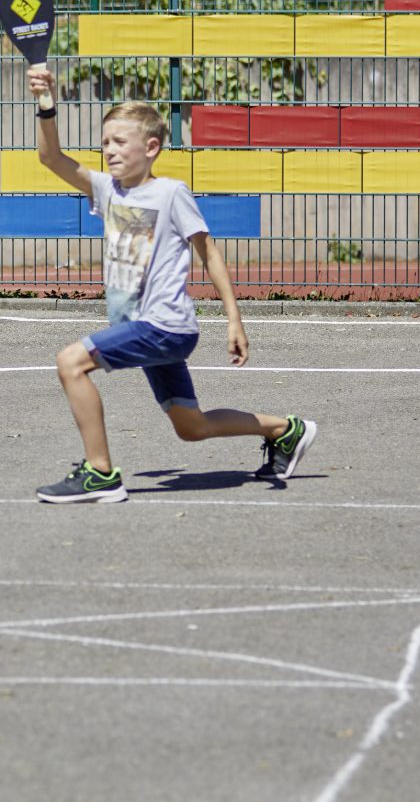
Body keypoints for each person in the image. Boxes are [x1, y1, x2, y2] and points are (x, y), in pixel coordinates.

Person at [27, 68, 316, 503]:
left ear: (152, 147)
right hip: (147, 328)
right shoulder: (107, 191)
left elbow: (210, 254)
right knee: (191, 427)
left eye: (119, 142)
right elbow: (51, 158)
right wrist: (47, 103)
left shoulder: (171, 194)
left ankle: (100, 474)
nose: (109, 151)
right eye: (105, 142)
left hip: (165, 325)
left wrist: (234, 321)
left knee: (71, 363)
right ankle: (285, 430)